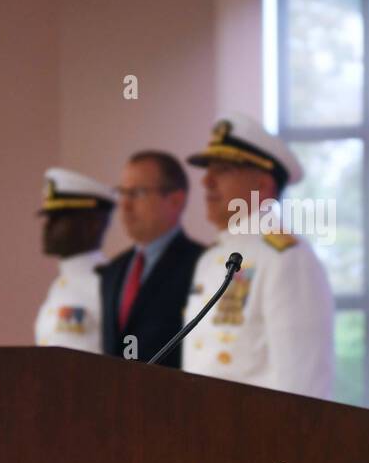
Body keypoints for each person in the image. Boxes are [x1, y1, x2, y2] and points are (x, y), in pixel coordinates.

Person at [183, 114, 333, 398]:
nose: (207, 182)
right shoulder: (209, 259)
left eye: (224, 170)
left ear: (263, 185)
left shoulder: (287, 258)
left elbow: (302, 386)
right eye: (208, 170)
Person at [98, 151, 205, 366]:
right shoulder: (113, 270)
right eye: (122, 193)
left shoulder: (200, 265)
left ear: (175, 200)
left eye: (137, 193)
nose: (125, 205)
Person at [34, 167, 113, 351]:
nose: (47, 227)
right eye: (48, 219)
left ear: (93, 224)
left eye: (58, 218)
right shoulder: (58, 286)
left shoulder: (107, 284)